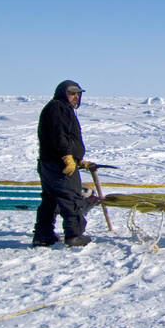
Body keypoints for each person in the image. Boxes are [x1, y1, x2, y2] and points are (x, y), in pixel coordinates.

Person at [34, 80, 97, 248]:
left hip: (50, 162)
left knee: (51, 200)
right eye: (72, 93)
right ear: (63, 94)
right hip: (59, 164)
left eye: (78, 93)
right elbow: (59, 135)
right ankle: (74, 235)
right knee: (71, 198)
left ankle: (43, 234)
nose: (75, 96)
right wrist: (67, 156)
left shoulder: (59, 108)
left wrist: (77, 159)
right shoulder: (58, 108)